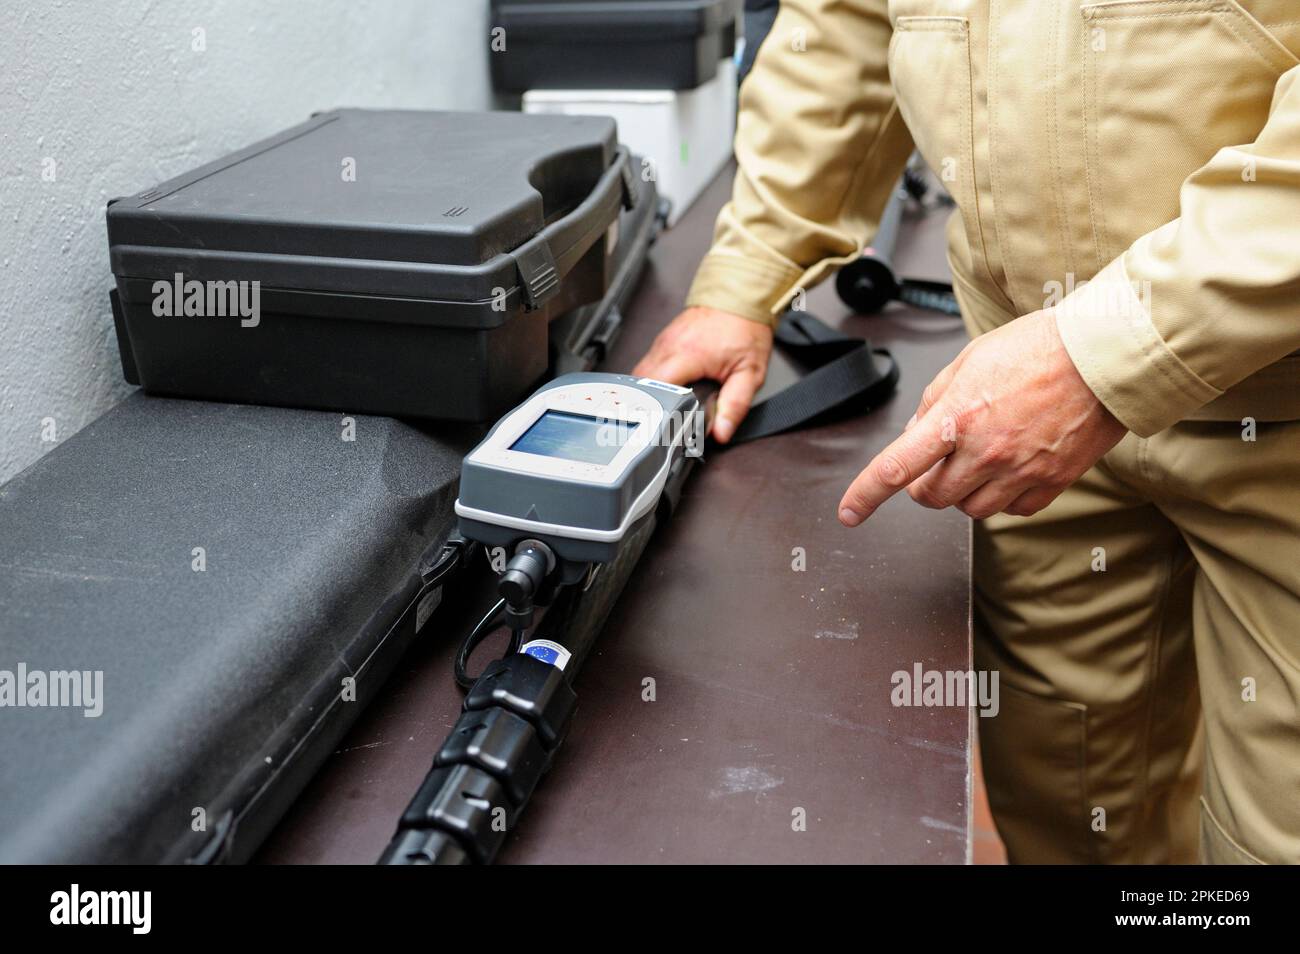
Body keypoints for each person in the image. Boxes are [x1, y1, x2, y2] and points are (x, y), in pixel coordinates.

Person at [633, 0, 1300, 864]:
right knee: (1071, 806)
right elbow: (844, 28)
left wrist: (1100, 352)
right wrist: (749, 273)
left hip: (1275, 399)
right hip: (1027, 430)